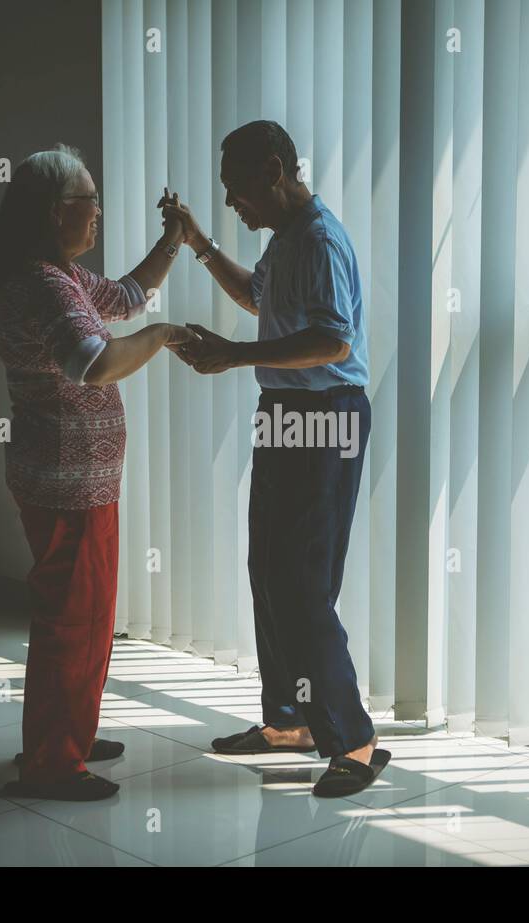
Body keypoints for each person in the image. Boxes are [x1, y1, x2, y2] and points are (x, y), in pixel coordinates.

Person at [163, 120, 390, 798]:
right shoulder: (287, 239)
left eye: (238, 192)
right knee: (270, 570)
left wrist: (233, 355)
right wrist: (198, 242)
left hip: (325, 419)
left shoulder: (318, 242)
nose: (235, 204)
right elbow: (257, 297)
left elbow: (330, 344)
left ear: (273, 170)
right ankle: (288, 719)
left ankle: (353, 738)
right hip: (288, 416)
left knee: (301, 584)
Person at [0, 143, 193, 801]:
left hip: (80, 480)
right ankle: (50, 762)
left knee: (89, 616)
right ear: (52, 211)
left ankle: (69, 731)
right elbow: (93, 362)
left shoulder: (59, 274)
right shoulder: (44, 284)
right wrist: (162, 337)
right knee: (73, 620)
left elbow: (125, 296)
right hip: (67, 482)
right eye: (88, 202)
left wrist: (174, 240)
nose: (97, 213)